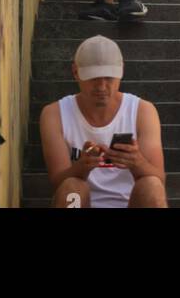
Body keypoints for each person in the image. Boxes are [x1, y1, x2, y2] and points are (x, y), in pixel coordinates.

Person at [39, 36, 167, 209]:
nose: (102, 86)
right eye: (93, 78)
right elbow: (57, 183)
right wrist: (82, 167)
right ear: (75, 72)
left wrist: (137, 162)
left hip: (130, 203)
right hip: (82, 202)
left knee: (152, 186)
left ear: (121, 71)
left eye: (109, 77)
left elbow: (159, 178)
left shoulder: (143, 111)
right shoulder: (54, 114)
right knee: (72, 188)